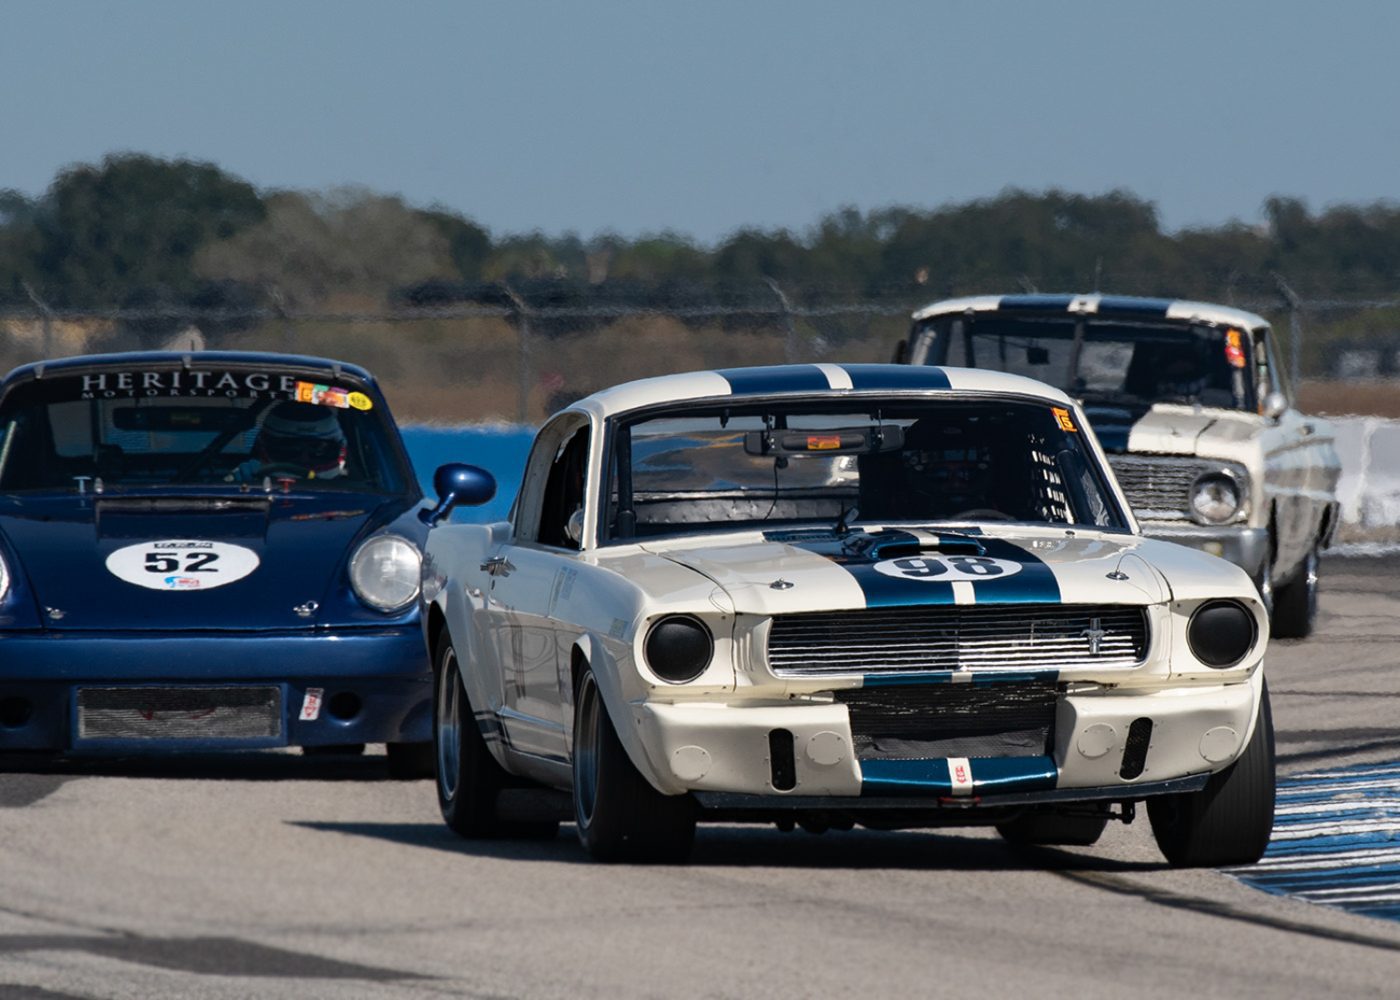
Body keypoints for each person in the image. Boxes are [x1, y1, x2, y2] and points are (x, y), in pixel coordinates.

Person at [226, 401, 347, 483]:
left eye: (318, 449)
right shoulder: (245, 482)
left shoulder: (357, 491)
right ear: (263, 447)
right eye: (290, 448)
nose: (304, 459)